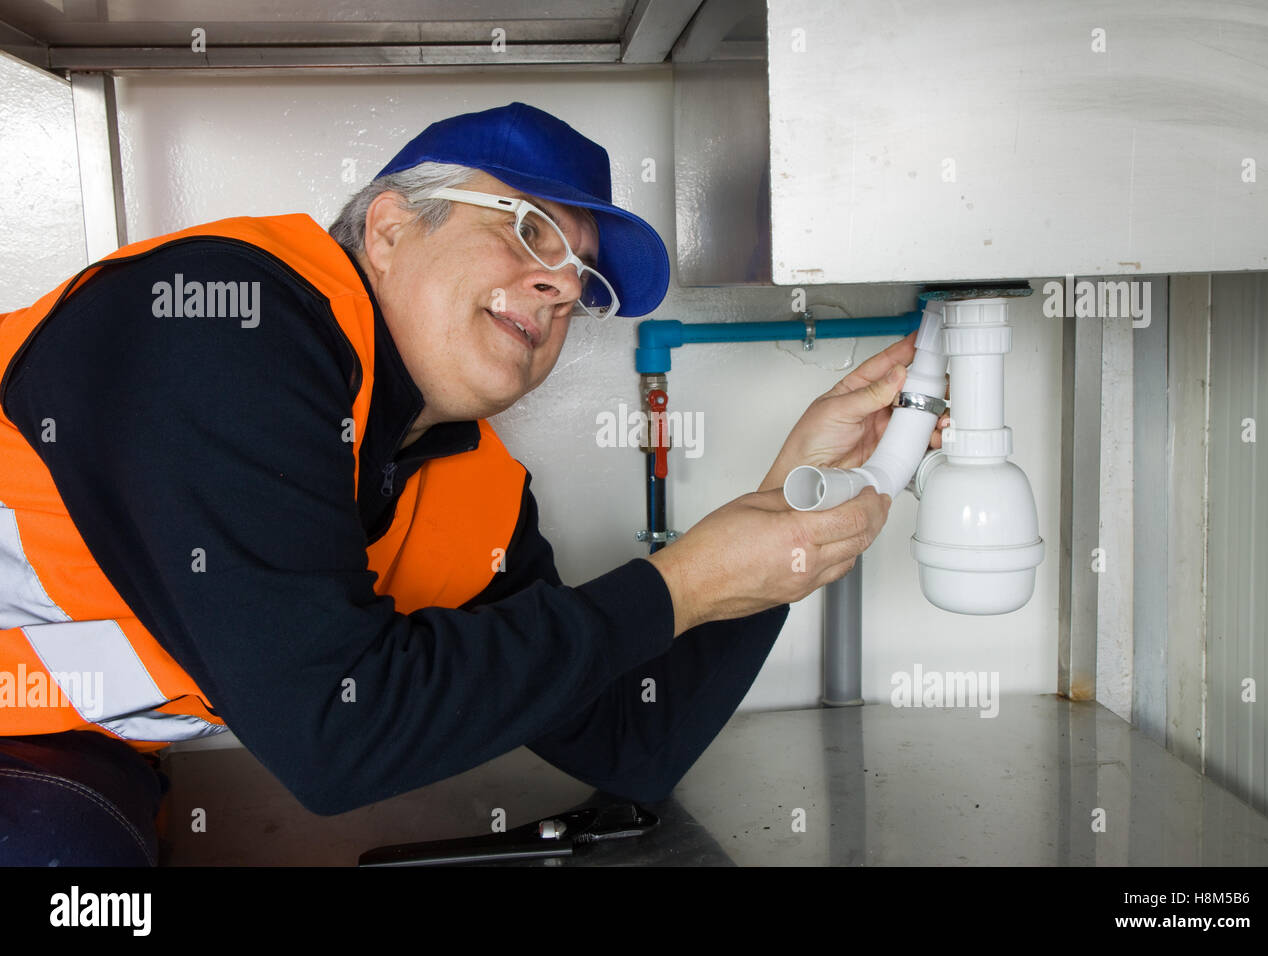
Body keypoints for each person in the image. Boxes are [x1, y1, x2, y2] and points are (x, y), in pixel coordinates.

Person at [0, 102, 938, 866]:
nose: (562, 289)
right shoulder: (229, 321)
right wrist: (683, 582)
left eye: (584, 284)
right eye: (530, 232)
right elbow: (334, 738)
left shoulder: (460, 482)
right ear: (392, 226)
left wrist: (794, 500)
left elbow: (629, 743)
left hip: (62, 745)